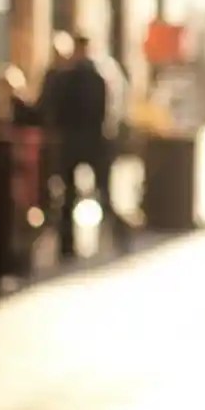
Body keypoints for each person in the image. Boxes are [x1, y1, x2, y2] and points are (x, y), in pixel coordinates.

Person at [54, 35, 130, 258]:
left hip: (76, 141)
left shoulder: (68, 77)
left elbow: (57, 110)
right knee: (101, 193)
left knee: (70, 195)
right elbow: (107, 111)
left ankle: (68, 245)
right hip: (94, 141)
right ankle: (116, 239)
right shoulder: (99, 76)